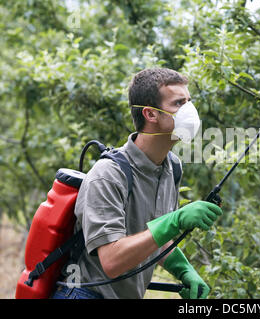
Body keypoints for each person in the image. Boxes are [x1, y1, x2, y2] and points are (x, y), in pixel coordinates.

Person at [52, 68, 222, 299]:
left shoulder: (172, 167)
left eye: (189, 101)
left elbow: (152, 236)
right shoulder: (108, 174)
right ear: (151, 114)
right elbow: (112, 261)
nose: (189, 111)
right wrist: (175, 220)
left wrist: (184, 270)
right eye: (179, 103)